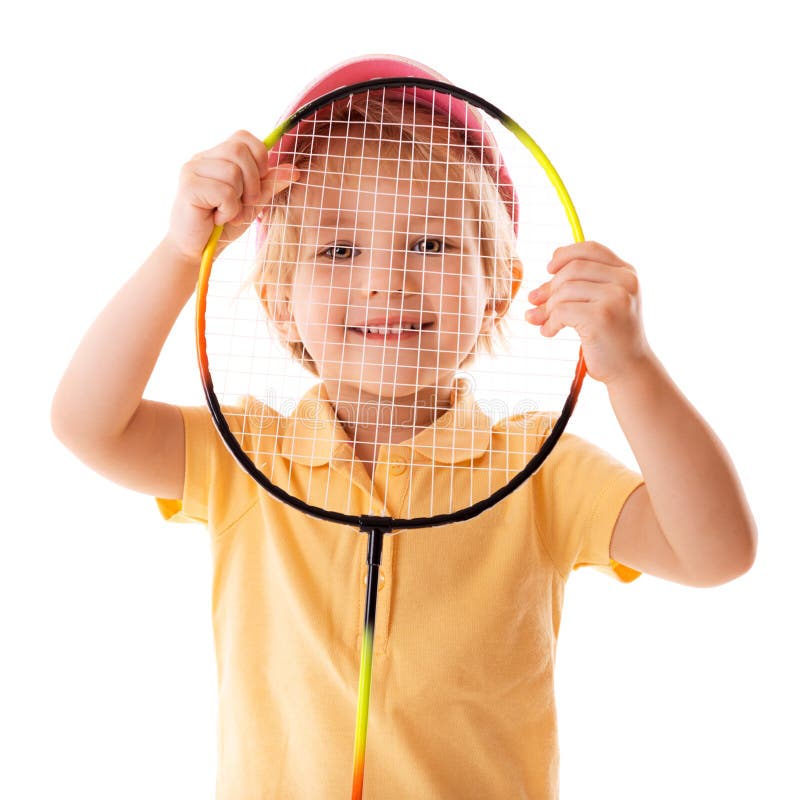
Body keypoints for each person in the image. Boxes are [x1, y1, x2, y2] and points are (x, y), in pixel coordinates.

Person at [51, 55, 757, 799]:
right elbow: (89, 425)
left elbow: (714, 553)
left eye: (430, 243)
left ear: (499, 290)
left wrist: (635, 370)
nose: (386, 279)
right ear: (278, 301)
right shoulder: (249, 455)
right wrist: (179, 253)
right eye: (338, 249)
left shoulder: (540, 468)